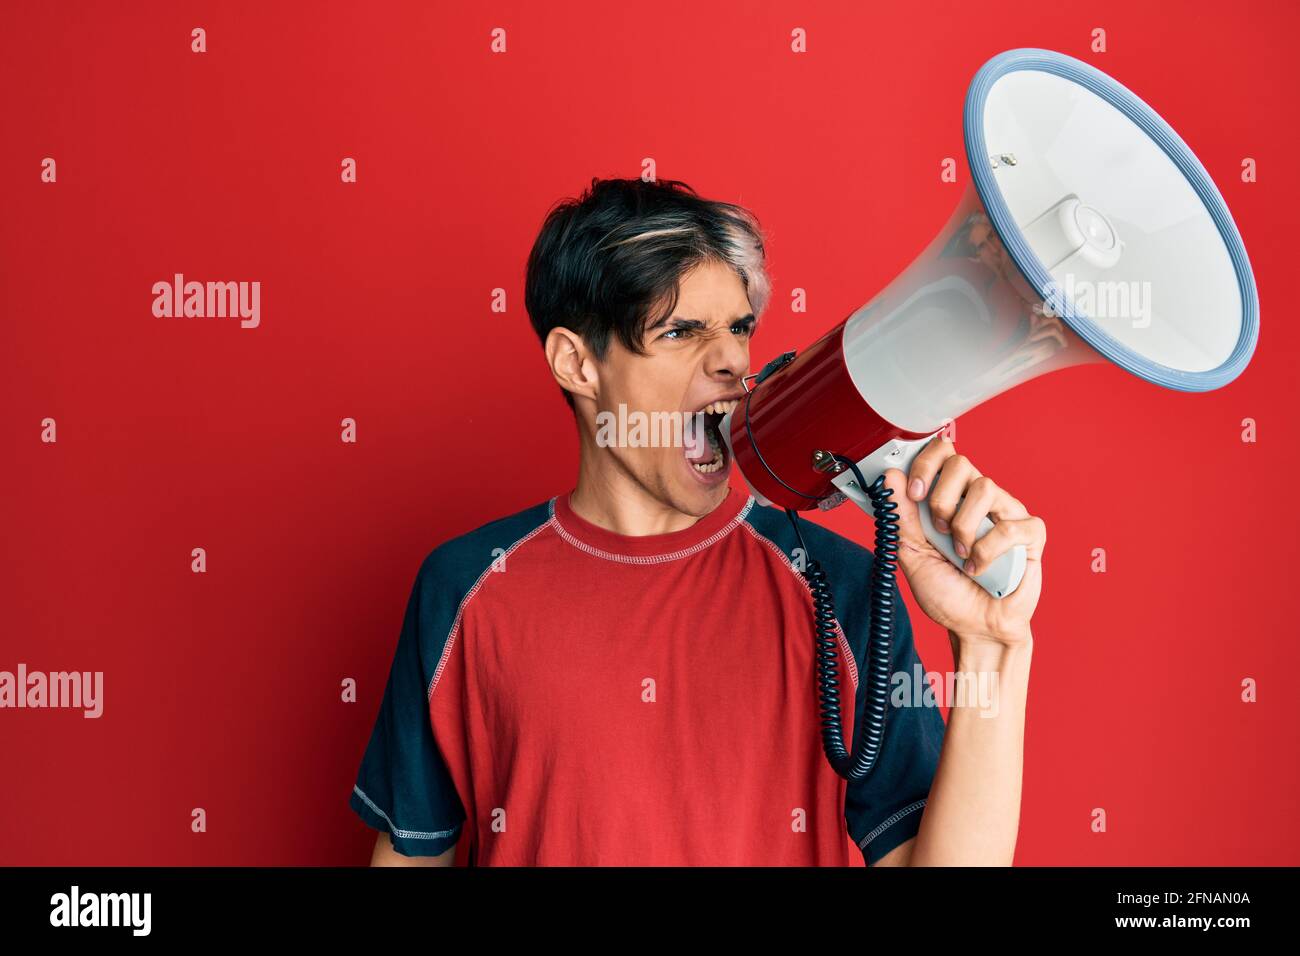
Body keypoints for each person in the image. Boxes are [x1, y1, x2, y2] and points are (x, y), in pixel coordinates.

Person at [348, 177, 1046, 866]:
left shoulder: (843, 588)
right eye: (682, 330)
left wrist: (993, 649)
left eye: (739, 327)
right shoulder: (465, 588)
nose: (734, 362)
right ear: (576, 362)